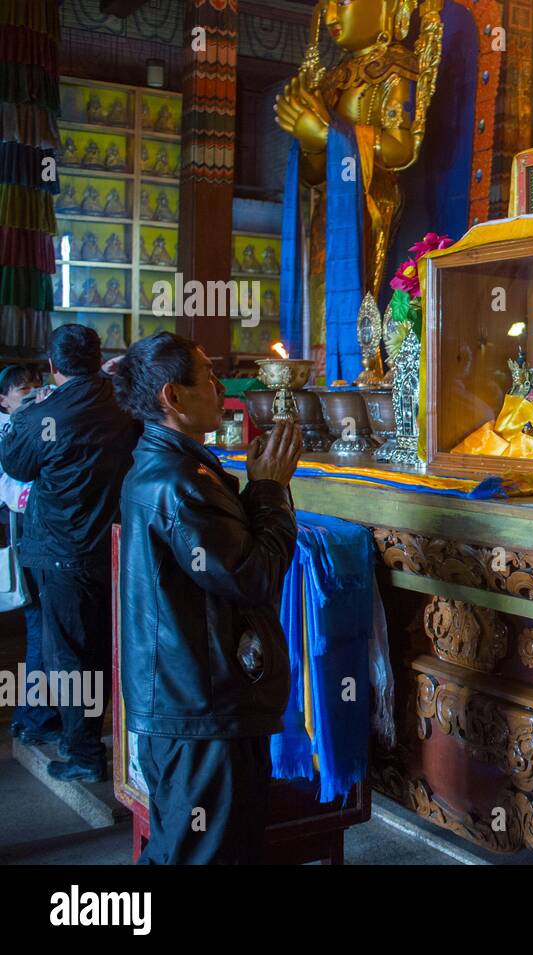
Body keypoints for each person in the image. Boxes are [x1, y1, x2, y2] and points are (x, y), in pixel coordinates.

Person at [114, 332, 302, 864]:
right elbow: (256, 575)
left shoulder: (171, 465)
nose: (223, 387)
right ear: (172, 397)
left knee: (204, 847)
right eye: (209, 377)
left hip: (192, 700)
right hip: (200, 708)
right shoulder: (178, 481)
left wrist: (256, 489)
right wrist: (267, 489)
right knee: (205, 853)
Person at [0, 326, 139, 782]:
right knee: (110, 647)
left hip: (61, 551)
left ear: (52, 366)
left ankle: (84, 754)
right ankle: (119, 749)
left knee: (70, 657)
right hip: (119, 547)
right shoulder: (124, 402)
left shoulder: (47, 410)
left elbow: (17, 464)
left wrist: (26, 411)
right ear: (100, 358)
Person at [0, 365, 58, 747]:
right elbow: (13, 490)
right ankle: (33, 717)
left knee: (44, 630)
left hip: (35, 538)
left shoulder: (31, 422)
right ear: (3, 399)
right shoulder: (9, 431)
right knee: (40, 629)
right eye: (23, 390)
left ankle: (31, 715)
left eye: (38, 386)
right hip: (26, 540)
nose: (33, 393)